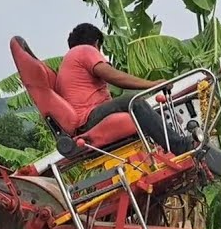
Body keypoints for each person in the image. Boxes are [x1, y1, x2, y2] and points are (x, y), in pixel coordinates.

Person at [56, 23, 194, 154]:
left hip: (85, 122)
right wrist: (152, 85)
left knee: (138, 107)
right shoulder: (84, 50)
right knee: (134, 101)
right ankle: (180, 146)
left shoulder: (69, 60)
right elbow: (113, 77)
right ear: (97, 44)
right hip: (88, 119)